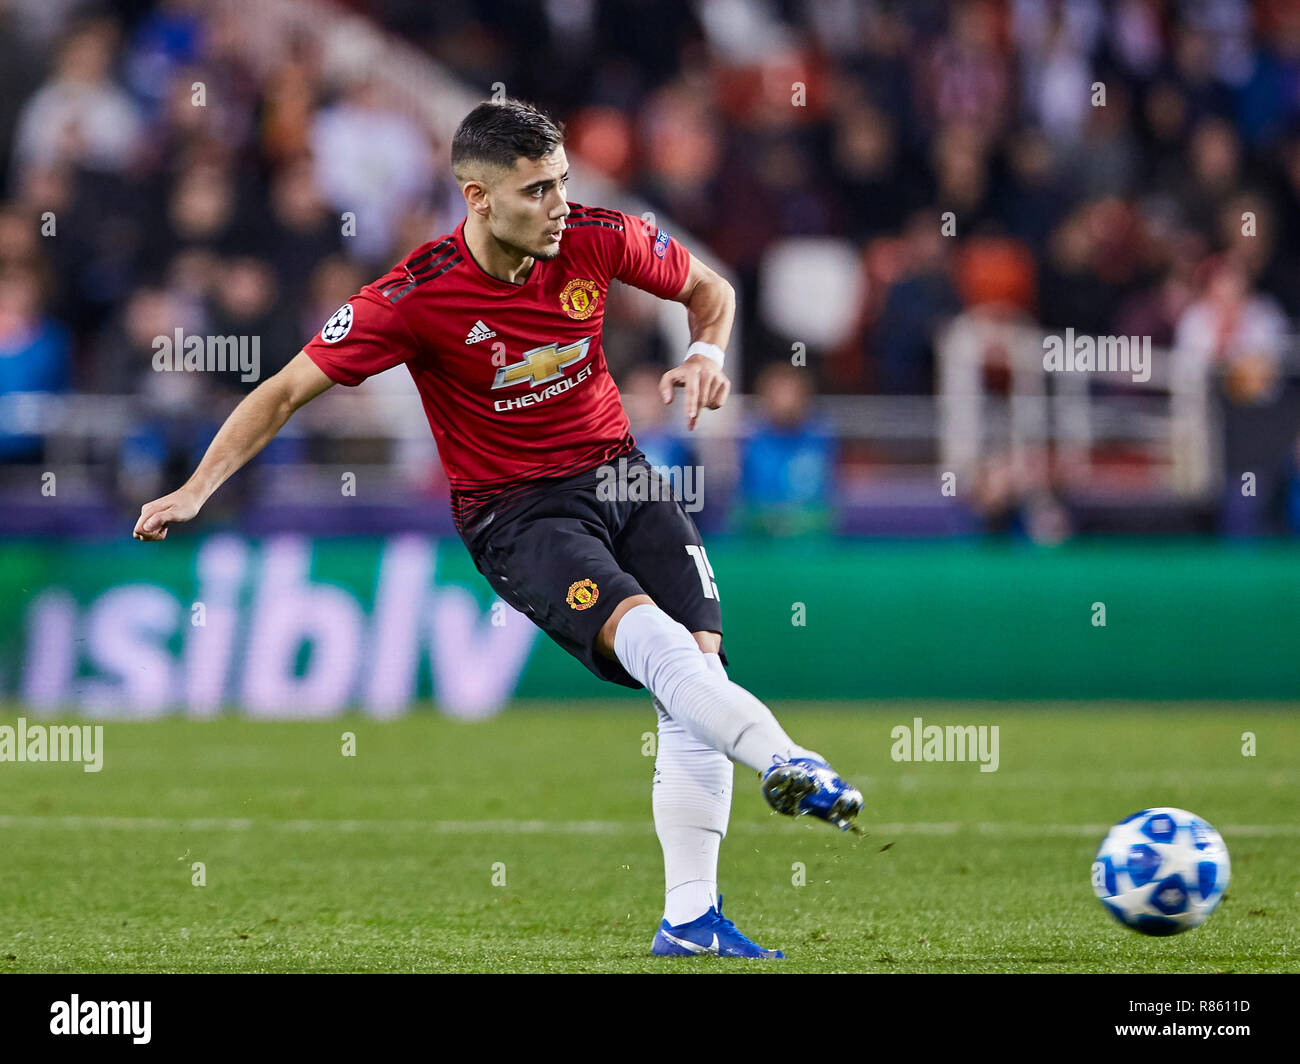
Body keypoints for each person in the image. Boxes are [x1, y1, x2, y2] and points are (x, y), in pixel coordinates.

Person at [133, 99, 862, 959]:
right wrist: (197, 486)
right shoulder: (413, 296)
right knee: (655, 639)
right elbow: (285, 390)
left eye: (562, 183)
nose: (559, 205)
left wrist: (705, 352)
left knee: (696, 676)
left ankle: (691, 918)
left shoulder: (597, 236)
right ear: (477, 199)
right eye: (536, 192)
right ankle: (784, 756)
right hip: (518, 513)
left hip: (623, 475)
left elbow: (713, 291)